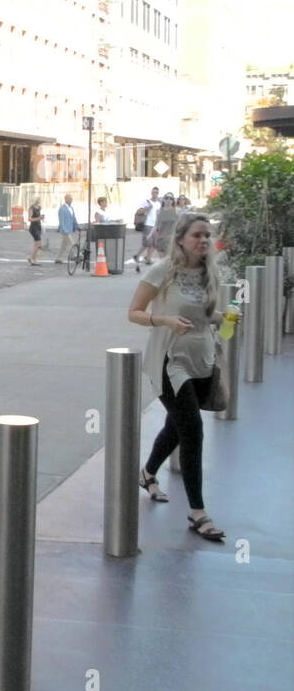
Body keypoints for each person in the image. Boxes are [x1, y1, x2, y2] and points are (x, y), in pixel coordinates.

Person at [126, 212, 230, 542]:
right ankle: (198, 512)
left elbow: (203, 315)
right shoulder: (162, 271)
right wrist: (166, 321)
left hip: (202, 360)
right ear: (181, 239)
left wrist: (222, 318)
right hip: (171, 361)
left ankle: (147, 473)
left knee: (177, 425)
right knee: (193, 430)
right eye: (198, 235)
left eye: (207, 236)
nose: (204, 241)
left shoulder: (207, 274)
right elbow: (134, 313)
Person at [132, 186, 160, 272]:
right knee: (147, 243)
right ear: (151, 193)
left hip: (156, 225)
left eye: (156, 192)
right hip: (148, 224)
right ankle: (137, 255)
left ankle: (148, 258)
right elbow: (139, 211)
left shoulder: (159, 203)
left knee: (155, 243)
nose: (154, 194)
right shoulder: (146, 202)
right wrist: (148, 207)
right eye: (153, 192)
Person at [152, 192, 178, 260]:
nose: (168, 200)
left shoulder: (177, 211)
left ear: (173, 201)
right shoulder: (158, 211)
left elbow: (181, 225)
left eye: (171, 198)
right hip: (161, 240)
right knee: (162, 262)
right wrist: (150, 236)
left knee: (169, 261)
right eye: (166, 198)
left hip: (171, 240)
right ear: (163, 200)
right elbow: (156, 226)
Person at [54, 193, 78, 264]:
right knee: (71, 243)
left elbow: (74, 218)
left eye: (71, 199)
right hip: (65, 230)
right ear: (66, 199)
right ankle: (74, 256)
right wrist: (64, 229)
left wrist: (77, 226)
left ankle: (58, 258)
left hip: (69, 229)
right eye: (70, 199)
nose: (71, 200)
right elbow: (61, 220)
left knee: (63, 245)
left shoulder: (71, 208)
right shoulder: (62, 208)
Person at [27, 197, 43, 265]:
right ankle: (31, 258)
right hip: (33, 228)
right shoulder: (31, 208)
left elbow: (38, 217)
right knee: (39, 244)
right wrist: (38, 218)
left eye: (39, 200)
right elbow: (29, 219)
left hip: (38, 227)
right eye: (38, 200)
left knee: (36, 245)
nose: (39, 201)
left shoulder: (39, 207)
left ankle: (34, 259)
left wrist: (41, 218)